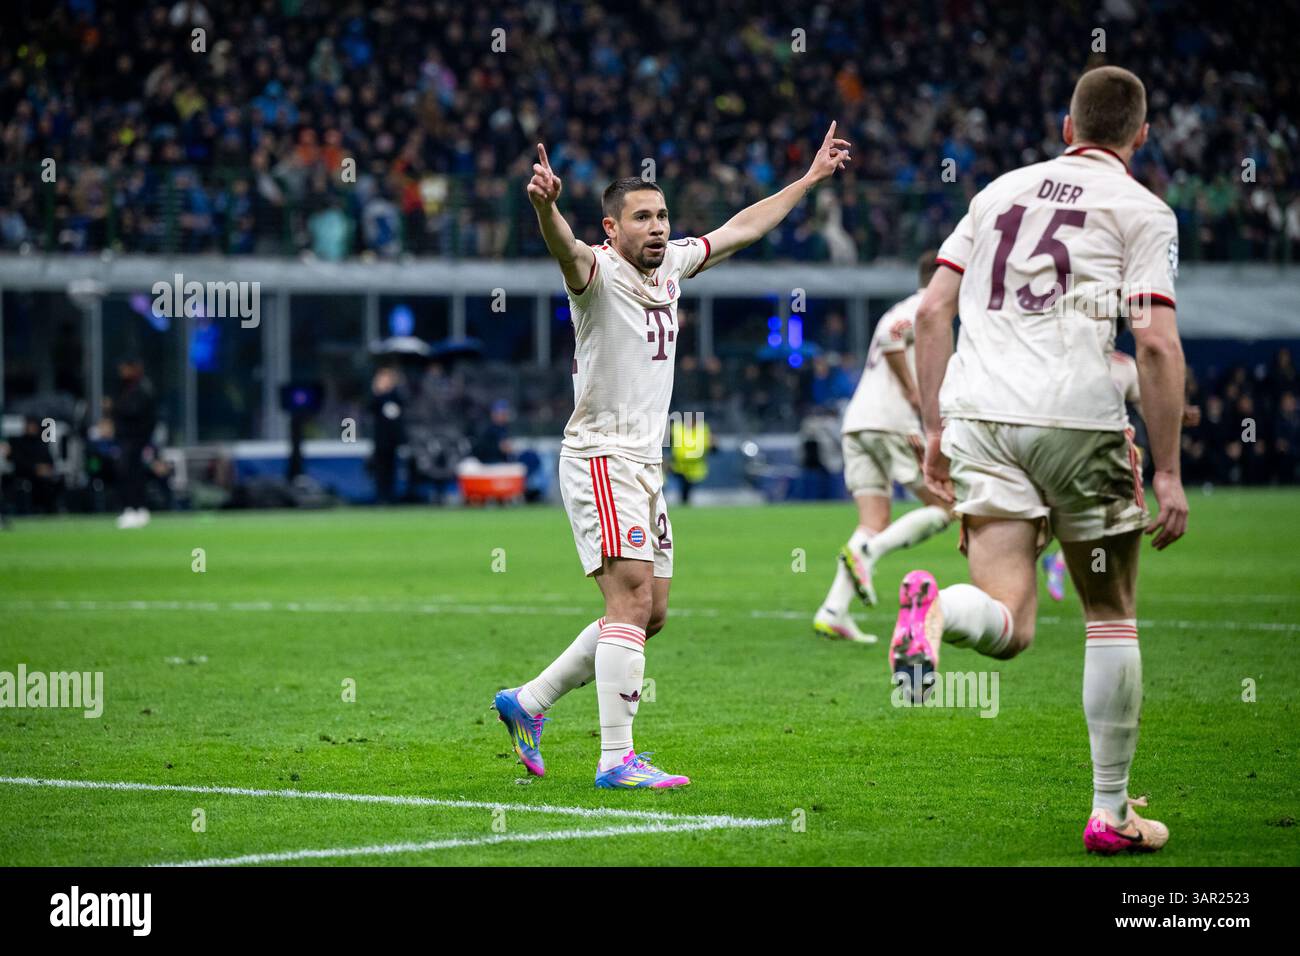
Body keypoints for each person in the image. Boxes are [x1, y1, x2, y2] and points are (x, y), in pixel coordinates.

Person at [494, 127, 852, 789]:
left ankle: (530, 701)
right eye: (643, 218)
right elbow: (564, 248)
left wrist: (808, 181)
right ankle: (616, 760)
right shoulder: (596, 273)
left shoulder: (673, 268)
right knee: (628, 600)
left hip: (645, 466)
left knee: (650, 612)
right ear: (613, 227)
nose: (658, 228)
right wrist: (545, 207)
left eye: (662, 216)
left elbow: (742, 228)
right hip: (601, 457)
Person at [907, 66, 1188, 854]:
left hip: (980, 418)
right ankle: (1110, 813)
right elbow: (1156, 342)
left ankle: (933, 614)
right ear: (1139, 135)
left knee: (1010, 619)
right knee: (1108, 612)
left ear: (1067, 127)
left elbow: (931, 310)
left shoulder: (996, 191)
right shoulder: (1142, 209)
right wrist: (1166, 471)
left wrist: (933, 430)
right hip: (1076, 421)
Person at [814, 251, 955, 644]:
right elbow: (894, 337)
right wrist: (915, 396)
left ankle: (833, 611)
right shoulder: (926, 307)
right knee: (945, 505)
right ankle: (869, 554)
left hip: (858, 422)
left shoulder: (907, 306)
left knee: (872, 521)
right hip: (893, 422)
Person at [112, 359, 157, 529]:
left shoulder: (142, 388)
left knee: (133, 474)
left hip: (135, 439)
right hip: (127, 439)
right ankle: (131, 509)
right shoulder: (124, 387)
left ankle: (136, 509)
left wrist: (115, 407)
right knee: (127, 473)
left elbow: (136, 413)